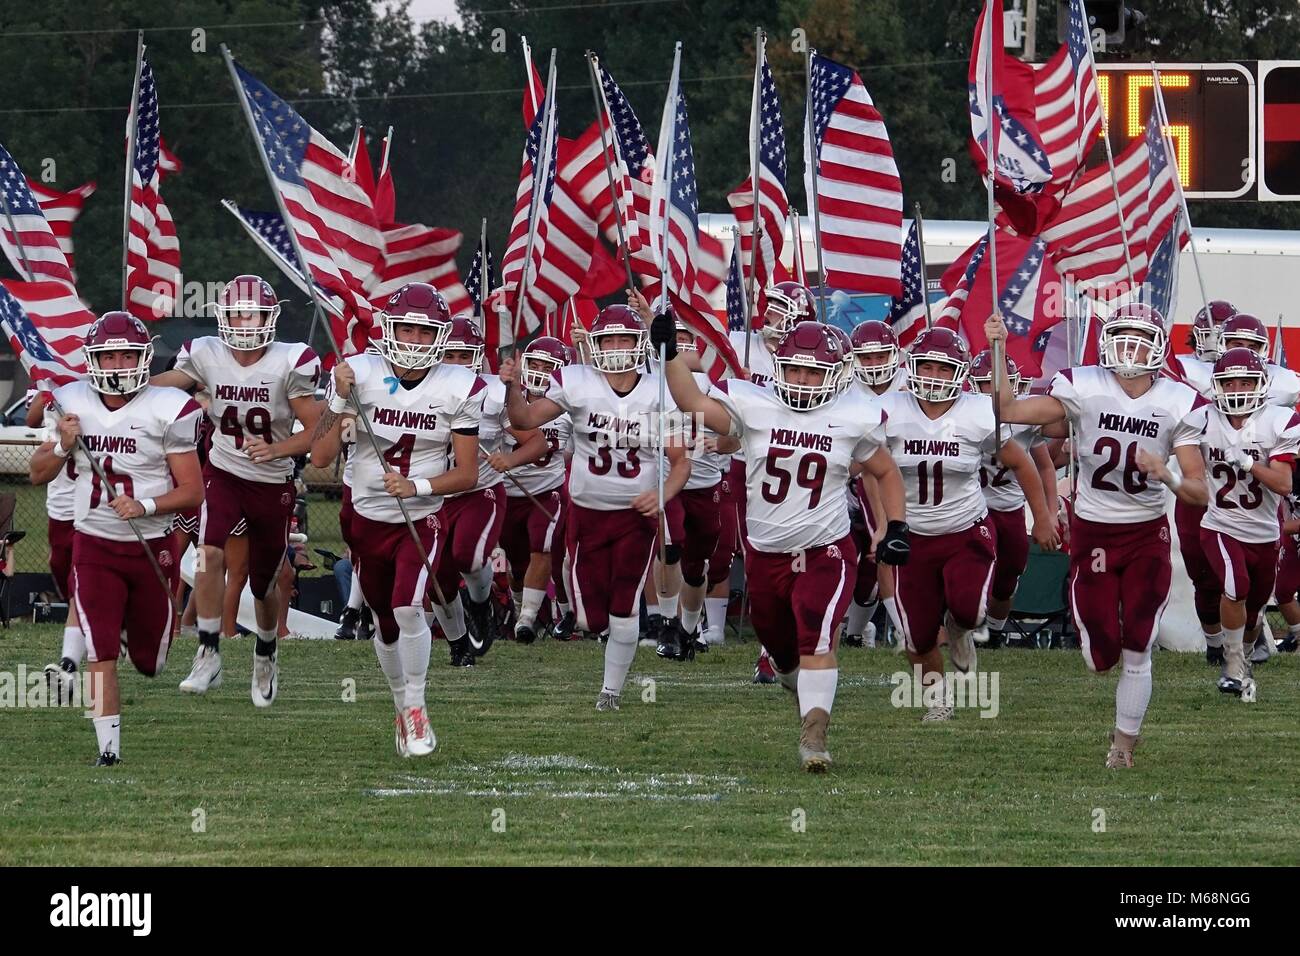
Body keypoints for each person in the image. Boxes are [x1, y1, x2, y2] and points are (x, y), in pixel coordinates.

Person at [658, 316, 910, 772]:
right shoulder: (755, 404)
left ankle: (815, 738)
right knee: (782, 652)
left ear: (834, 374)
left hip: (825, 551)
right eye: (794, 369)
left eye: (812, 371)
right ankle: (799, 688)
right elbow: (690, 399)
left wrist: (894, 527)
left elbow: (886, 471)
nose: (801, 379)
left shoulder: (853, 414)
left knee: (816, 641)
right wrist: (670, 353)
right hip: (765, 554)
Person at [986, 304, 1209, 769]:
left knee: (1140, 639)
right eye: (1121, 336)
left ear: (1159, 345)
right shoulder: (1083, 385)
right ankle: (1112, 684)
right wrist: (999, 344)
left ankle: (1123, 746)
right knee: (1101, 654)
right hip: (1095, 532)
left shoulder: (1177, 401)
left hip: (1147, 533)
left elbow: (1198, 491)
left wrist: (1165, 475)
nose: (1130, 348)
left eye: (1140, 338)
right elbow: (1007, 410)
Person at [310, 282, 484, 756]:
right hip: (365, 515)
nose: (412, 339)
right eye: (405, 327)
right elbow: (321, 452)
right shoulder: (359, 372)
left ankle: (416, 708)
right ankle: (399, 704)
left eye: (424, 332)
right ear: (387, 327)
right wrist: (337, 401)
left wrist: (419, 487)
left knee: (410, 608)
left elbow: (467, 473)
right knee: (385, 621)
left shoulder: (459, 385)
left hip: (421, 515)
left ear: (441, 338)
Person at [29, 311, 204, 766]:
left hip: (152, 546)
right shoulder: (72, 402)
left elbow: (193, 492)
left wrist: (144, 506)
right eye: (111, 355)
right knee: (100, 650)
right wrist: (64, 444)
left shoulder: (168, 407)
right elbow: (35, 472)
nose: (120, 363)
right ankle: (108, 752)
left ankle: (131, 632)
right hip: (94, 544)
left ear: (145, 357)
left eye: (129, 353)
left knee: (153, 664)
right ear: (94, 359)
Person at [504, 302, 691, 711]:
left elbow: (681, 463)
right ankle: (609, 668)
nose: (618, 345)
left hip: (635, 515)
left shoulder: (661, 391)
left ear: (640, 342)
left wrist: (661, 496)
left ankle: (610, 692)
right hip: (587, 514)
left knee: (624, 605)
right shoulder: (576, 381)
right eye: (609, 338)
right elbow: (524, 420)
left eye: (625, 337)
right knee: (592, 620)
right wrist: (511, 387)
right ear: (596, 342)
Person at [151, 275, 322, 707]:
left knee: (263, 585)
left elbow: (319, 428)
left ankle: (266, 650)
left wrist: (278, 448)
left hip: (272, 481)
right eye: (238, 314)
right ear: (224, 316)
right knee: (209, 554)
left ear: (270, 317)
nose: (245, 324)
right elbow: (168, 382)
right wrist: (127, 382)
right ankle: (207, 652)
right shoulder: (206, 352)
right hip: (223, 470)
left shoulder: (290, 360)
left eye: (253, 315)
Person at [877, 330, 1058, 720]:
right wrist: (884, 523)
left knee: (970, 611)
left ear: (958, 372)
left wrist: (1042, 516)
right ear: (911, 367)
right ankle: (937, 700)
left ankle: (959, 631)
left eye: (943, 367)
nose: (933, 374)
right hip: (913, 535)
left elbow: (1023, 462)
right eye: (925, 365)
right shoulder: (889, 410)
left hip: (964, 530)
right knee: (918, 634)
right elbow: (867, 467)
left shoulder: (976, 411)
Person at [433, 318, 547, 659]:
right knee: (438, 574)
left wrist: (509, 461)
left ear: (478, 356)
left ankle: (482, 608)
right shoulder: (421, 389)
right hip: (433, 493)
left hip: (479, 490)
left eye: (462, 355)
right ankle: (457, 642)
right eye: (448, 355)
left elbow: (536, 443)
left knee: (467, 555)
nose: (454, 363)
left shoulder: (494, 393)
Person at [1195, 348, 1299, 699]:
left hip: (1265, 533)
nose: (1237, 388)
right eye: (1229, 381)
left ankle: (1246, 658)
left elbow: (1284, 485)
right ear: (1216, 385)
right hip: (1220, 523)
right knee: (1234, 586)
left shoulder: (1279, 420)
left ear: (1262, 384)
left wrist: (1249, 463)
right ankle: (1233, 663)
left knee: (1253, 612)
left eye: (1246, 380)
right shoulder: (1202, 418)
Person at [968, 350, 1059, 644]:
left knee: (1009, 575)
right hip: (970, 507)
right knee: (969, 572)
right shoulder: (960, 413)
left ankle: (994, 633)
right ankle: (963, 629)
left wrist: (1051, 512)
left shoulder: (1023, 418)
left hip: (1009, 506)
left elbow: (1044, 466)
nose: (992, 390)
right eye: (985, 383)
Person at [498, 336, 573, 644]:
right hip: (508, 493)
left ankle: (528, 619)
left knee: (542, 549)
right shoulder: (504, 400)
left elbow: (573, 453)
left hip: (547, 491)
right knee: (516, 563)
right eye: (536, 365)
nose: (541, 372)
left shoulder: (568, 408)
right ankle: (520, 606)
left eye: (549, 367)